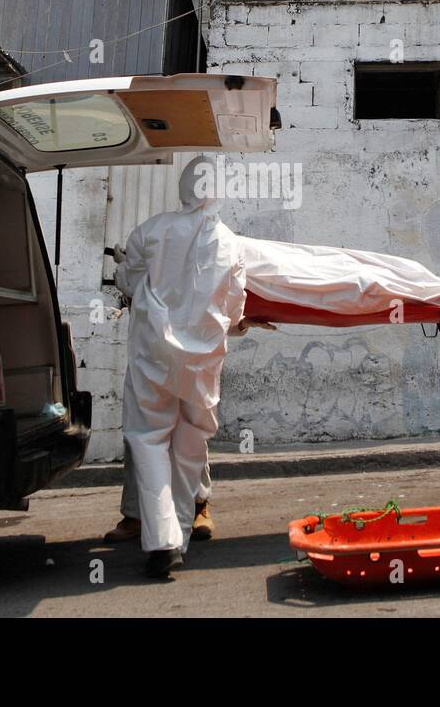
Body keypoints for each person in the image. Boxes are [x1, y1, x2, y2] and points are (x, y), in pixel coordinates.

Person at [112, 155, 247, 577]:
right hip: (202, 366)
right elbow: (236, 309)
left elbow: (128, 279)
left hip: (154, 356)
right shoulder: (232, 245)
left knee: (150, 442)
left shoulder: (152, 230)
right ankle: (180, 539)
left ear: (183, 188)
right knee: (189, 448)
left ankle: (163, 542)